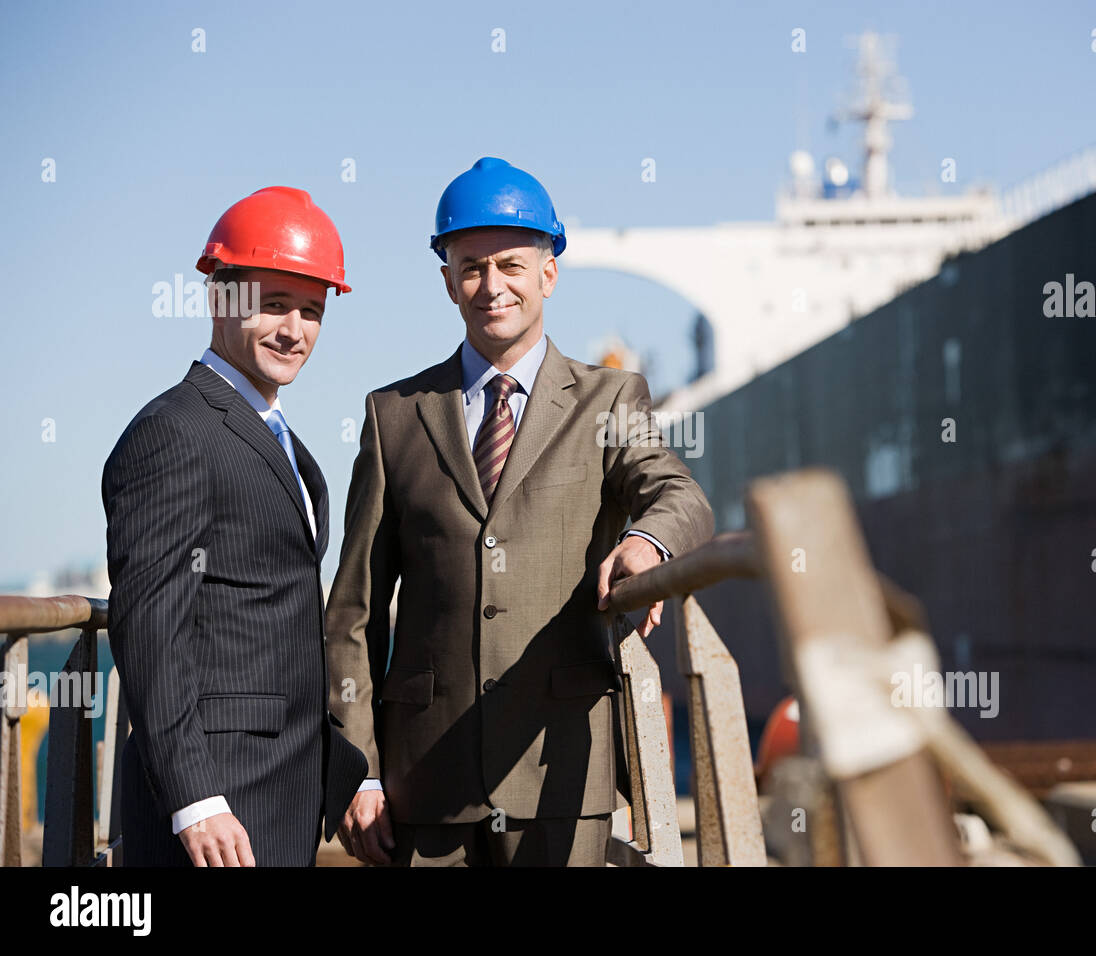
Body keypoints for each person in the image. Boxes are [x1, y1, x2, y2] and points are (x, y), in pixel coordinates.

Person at [326, 157, 714, 866]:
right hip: (422, 785)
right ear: (446, 279)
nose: (491, 285)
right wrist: (360, 768)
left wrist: (647, 543)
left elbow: (678, 493)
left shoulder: (610, 400)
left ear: (549, 274)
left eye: (510, 264)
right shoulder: (394, 417)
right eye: (470, 267)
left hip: (560, 768)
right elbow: (352, 611)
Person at [102, 186, 367, 866]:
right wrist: (194, 798)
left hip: (279, 798)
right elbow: (151, 627)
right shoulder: (176, 433)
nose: (295, 330)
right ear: (220, 300)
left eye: (311, 310)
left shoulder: (279, 441)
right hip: (218, 812)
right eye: (273, 305)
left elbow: (268, 634)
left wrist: (349, 775)